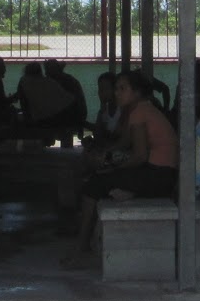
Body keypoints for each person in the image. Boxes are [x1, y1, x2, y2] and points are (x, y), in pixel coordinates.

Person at [65, 69, 178, 266]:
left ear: (136, 92)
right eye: (116, 88)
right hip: (161, 173)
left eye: (122, 89)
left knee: (93, 186)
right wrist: (105, 157)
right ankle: (88, 238)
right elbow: (125, 142)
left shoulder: (139, 111)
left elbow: (140, 156)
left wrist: (111, 166)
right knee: (100, 177)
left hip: (159, 175)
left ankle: (82, 246)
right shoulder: (140, 109)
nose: (117, 93)